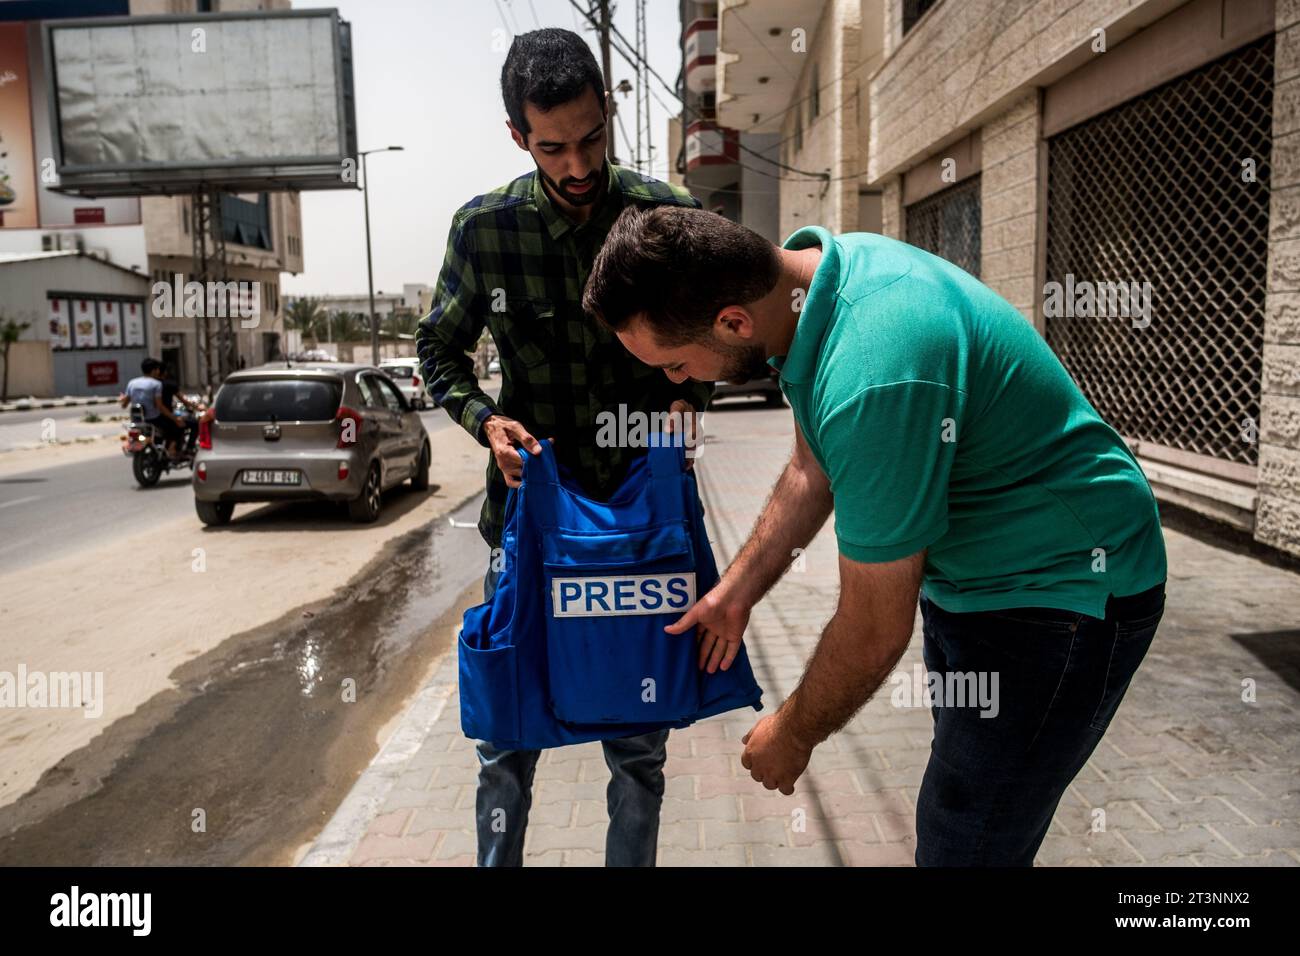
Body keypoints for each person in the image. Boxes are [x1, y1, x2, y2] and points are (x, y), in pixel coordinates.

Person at [582, 205, 1169, 866]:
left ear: (733, 322)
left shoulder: (873, 371)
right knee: (972, 804)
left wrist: (793, 733)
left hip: (1063, 594)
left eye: (675, 364)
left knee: (965, 841)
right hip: (972, 579)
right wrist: (735, 592)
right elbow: (810, 470)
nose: (676, 381)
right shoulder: (817, 285)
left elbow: (873, 627)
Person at [415, 28, 714, 867]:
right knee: (506, 744)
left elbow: (712, 338)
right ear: (519, 136)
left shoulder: (666, 218)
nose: (578, 166)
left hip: (637, 533)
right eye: (553, 148)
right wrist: (486, 422)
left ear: (607, 111)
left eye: (590, 138)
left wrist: (688, 399)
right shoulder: (484, 231)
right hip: (528, 532)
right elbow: (437, 350)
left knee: (639, 753)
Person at [120, 358, 187, 459]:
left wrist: (122, 399)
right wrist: (175, 418)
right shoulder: (156, 384)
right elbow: (160, 406)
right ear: (154, 370)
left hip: (136, 420)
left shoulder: (132, 383)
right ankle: (171, 450)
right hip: (154, 419)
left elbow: (124, 405)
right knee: (178, 426)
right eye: (157, 369)